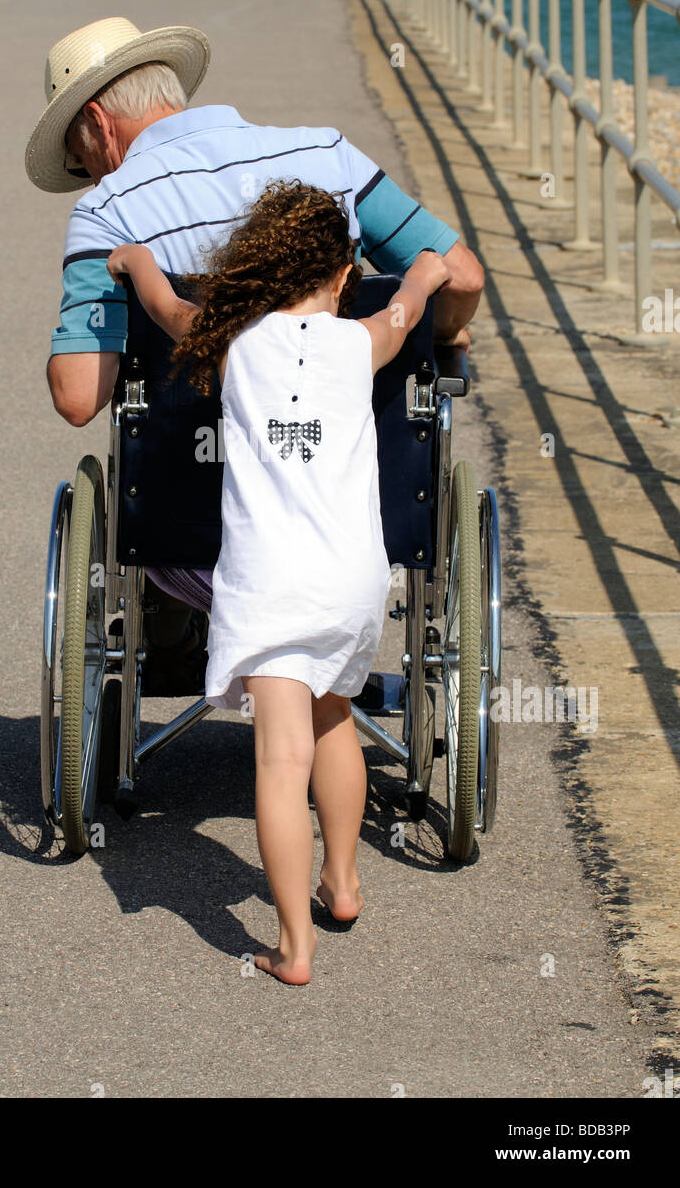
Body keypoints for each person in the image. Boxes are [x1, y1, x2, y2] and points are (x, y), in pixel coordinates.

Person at [24, 16, 484, 682]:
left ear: (97, 124)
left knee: (156, 432)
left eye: (78, 158)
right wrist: (440, 334)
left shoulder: (109, 212)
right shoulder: (327, 155)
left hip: (192, 538)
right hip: (360, 531)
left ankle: (176, 628)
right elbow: (462, 275)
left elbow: (76, 398)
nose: (87, 174)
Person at [105, 181, 452, 984]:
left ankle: (293, 946)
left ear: (257, 267)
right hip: (350, 579)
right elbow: (405, 309)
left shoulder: (232, 343)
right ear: (337, 279)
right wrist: (425, 273)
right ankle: (344, 878)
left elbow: (163, 310)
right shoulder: (359, 340)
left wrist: (139, 262)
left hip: (269, 581)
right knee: (335, 720)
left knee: (280, 757)